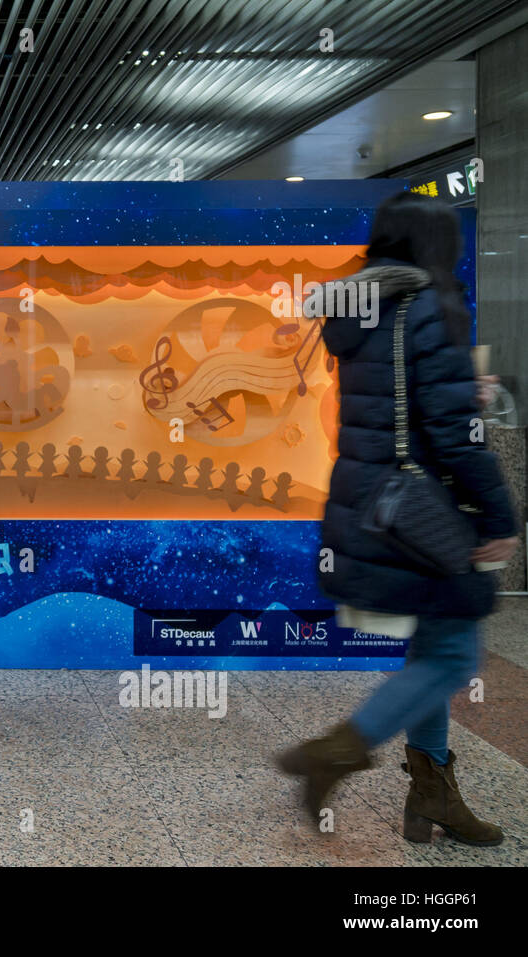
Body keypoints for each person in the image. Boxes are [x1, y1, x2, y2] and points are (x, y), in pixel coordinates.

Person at [276, 191, 520, 846]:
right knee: (452, 653)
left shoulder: (360, 311)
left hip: (376, 506)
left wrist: (462, 394)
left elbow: (398, 407)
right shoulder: (427, 306)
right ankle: (335, 751)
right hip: (426, 513)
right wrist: (501, 513)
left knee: (434, 644)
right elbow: (451, 434)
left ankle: (432, 797)